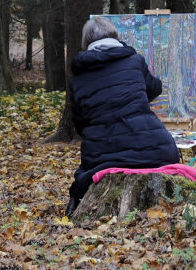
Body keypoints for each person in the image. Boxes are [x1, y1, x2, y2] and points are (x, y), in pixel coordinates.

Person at [66, 17, 179, 216]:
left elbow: (80, 123)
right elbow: (155, 88)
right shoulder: (134, 60)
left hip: (101, 153)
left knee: (83, 177)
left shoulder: (79, 77)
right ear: (114, 35)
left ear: (86, 42)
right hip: (154, 149)